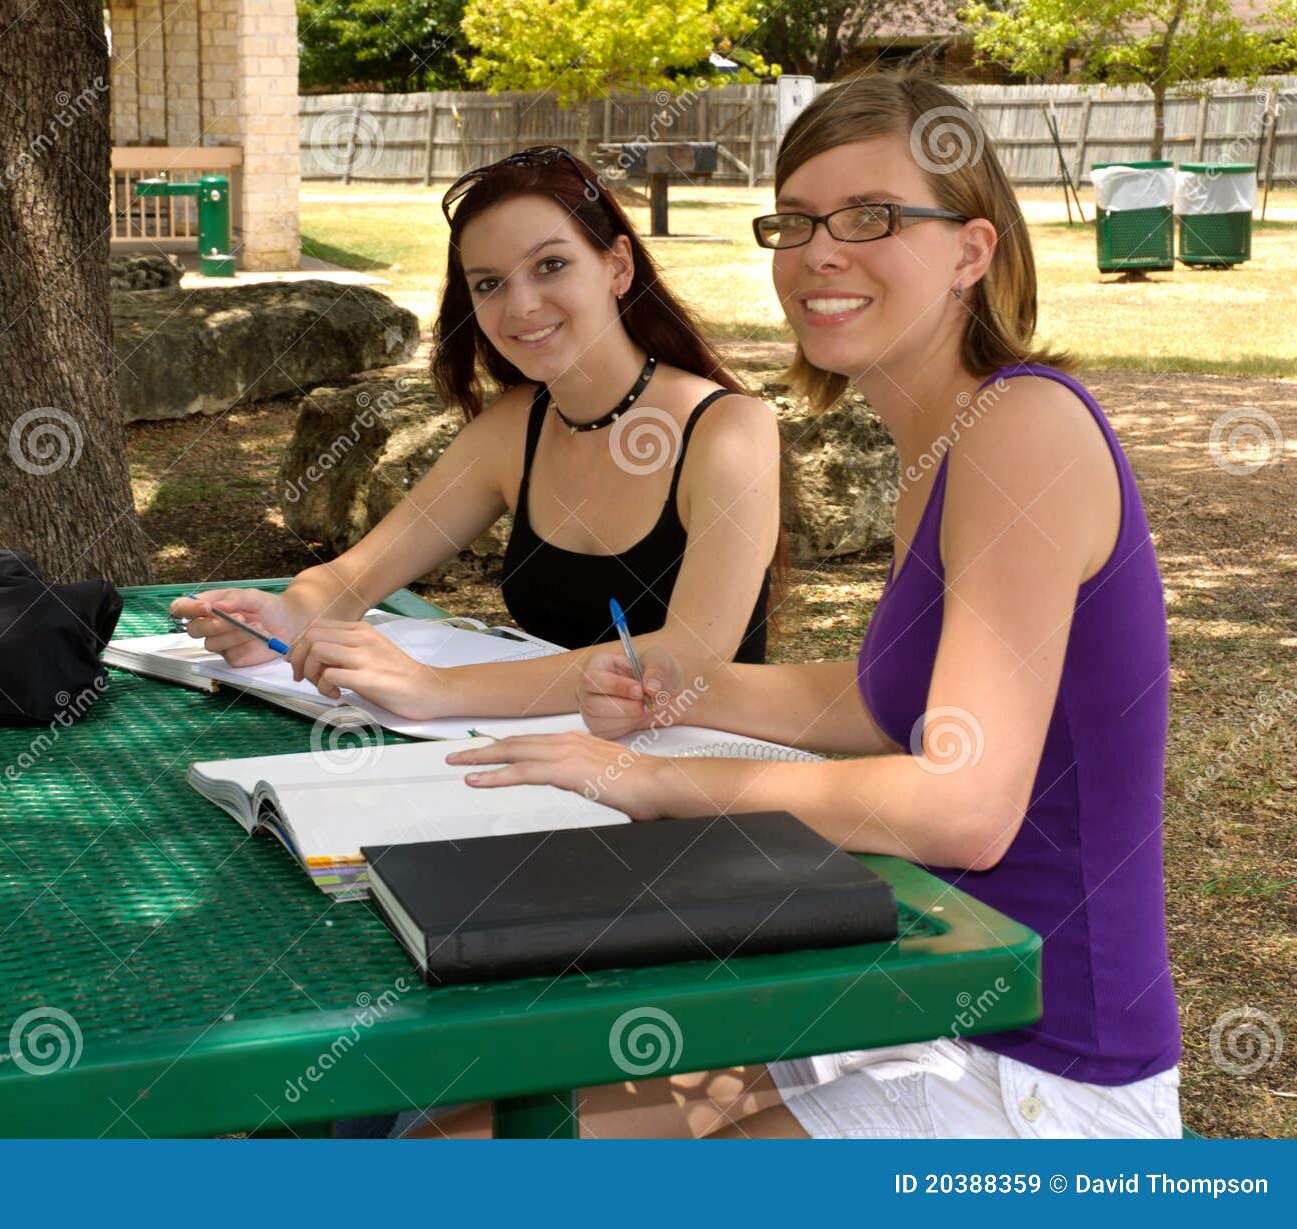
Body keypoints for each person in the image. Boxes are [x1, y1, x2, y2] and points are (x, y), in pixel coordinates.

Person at [442, 75, 1181, 1139]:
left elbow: (964, 803)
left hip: (1044, 1065)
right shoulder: (944, 442)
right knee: (471, 1132)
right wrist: (682, 689)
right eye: (795, 222)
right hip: (915, 989)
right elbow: (896, 704)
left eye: (870, 218)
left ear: (971, 250)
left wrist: (652, 781)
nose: (818, 252)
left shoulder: (1025, 430)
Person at [171, 146, 784, 721]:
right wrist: (284, 617)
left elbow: (689, 658)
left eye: (551, 265)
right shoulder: (514, 428)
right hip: (541, 767)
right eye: (489, 283)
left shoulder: (729, 430)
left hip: (693, 782)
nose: (520, 307)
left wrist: (436, 688)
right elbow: (353, 578)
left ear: (617, 266)